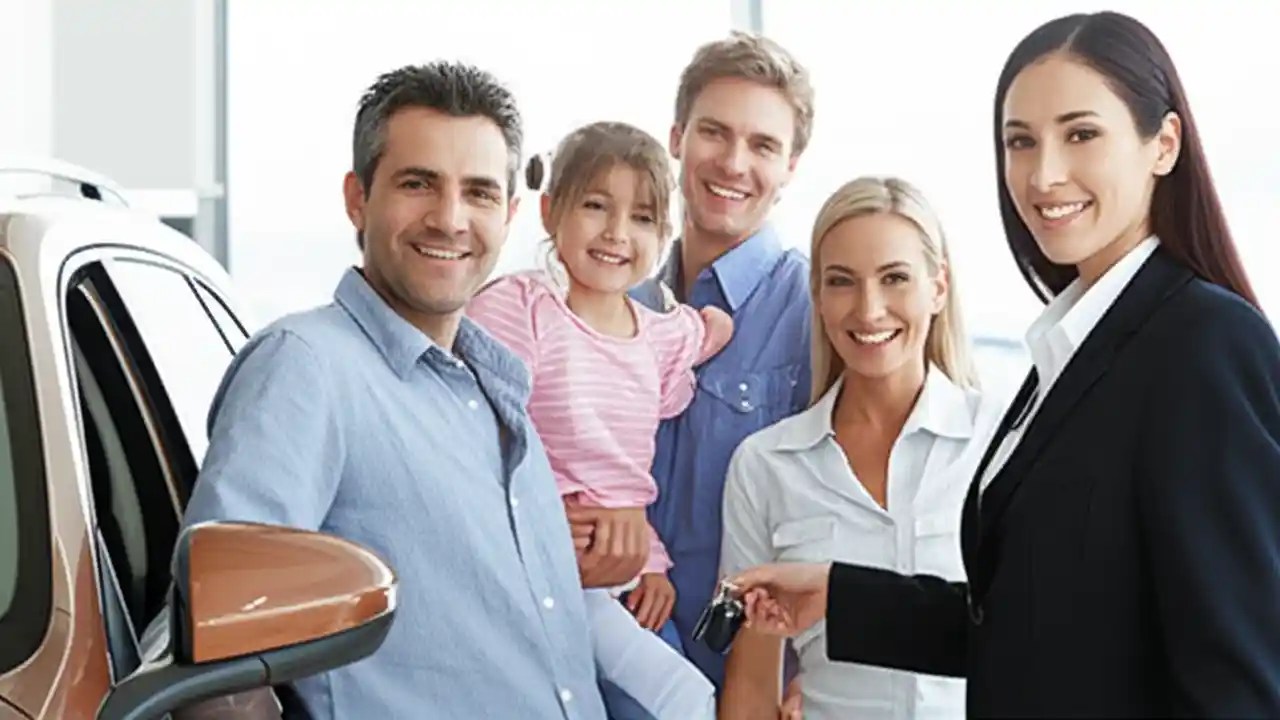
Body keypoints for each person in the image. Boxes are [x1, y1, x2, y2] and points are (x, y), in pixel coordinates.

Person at [729, 11, 1280, 718]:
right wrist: (842, 594)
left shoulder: (1206, 346)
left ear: (1163, 143)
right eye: (1021, 141)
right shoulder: (1069, 352)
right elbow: (1043, 628)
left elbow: (1239, 682)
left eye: (1081, 134)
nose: (1044, 174)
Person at [180, 61, 712, 719]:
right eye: (417, 184)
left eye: (480, 193)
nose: (450, 219)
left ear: (511, 213)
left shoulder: (497, 386)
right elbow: (216, 640)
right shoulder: (309, 367)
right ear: (357, 197)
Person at [718, 177, 1003, 720]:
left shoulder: (1003, 442)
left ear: (937, 287)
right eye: (842, 282)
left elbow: (1043, 639)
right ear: (818, 297)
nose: (869, 310)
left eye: (894, 278)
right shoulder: (765, 466)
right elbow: (753, 682)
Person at [467, 121, 733, 645]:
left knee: (677, 687)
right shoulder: (521, 307)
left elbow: (709, 331)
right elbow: (477, 435)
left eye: (641, 218)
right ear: (550, 212)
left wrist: (651, 563)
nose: (616, 232)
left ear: (663, 237)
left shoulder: (658, 335)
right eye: (595, 206)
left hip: (628, 564)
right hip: (539, 547)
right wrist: (541, 521)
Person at [624, 31, 816, 693]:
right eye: (714, 132)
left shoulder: (820, 311)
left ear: (792, 164)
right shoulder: (614, 309)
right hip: (613, 667)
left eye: (763, 144)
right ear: (676, 138)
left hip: (747, 685)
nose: (733, 163)